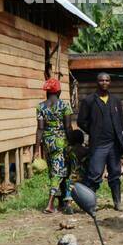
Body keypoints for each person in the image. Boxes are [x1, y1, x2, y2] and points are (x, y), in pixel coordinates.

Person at [76, 72, 123, 212]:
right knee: (94, 174)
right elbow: (81, 121)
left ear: (110, 82)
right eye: (101, 80)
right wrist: (93, 131)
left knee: (115, 173)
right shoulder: (89, 101)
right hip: (98, 144)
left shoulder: (115, 100)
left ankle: (117, 202)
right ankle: (90, 204)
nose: (104, 82)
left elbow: (121, 123)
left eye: (107, 80)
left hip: (114, 144)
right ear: (97, 82)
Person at [35, 78, 74, 214]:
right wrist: (72, 142)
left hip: (48, 143)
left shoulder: (41, 107)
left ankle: (62, 201)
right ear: (59, 91)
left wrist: (36, 150)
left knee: (54, 171)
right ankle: (53, 203)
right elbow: (68, 127)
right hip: (62, 142)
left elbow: (40, 129)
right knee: (65, 171)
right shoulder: (64, 106)